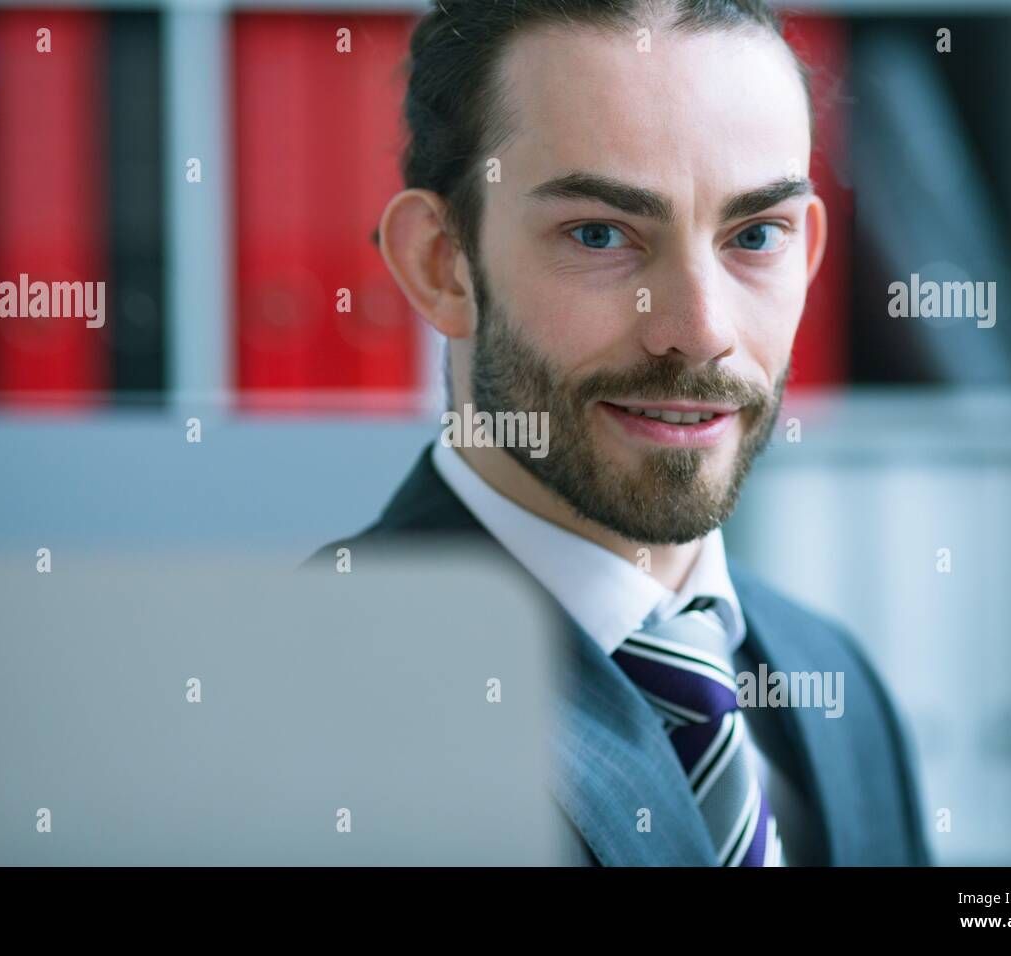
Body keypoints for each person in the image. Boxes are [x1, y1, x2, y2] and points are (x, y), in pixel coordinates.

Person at [308, 0, 931, 866]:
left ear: (809, 254)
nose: (700, 328)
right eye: (601, 235)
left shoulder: (839, 680)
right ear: (441, 266)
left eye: (755, 235)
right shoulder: (302, 707)